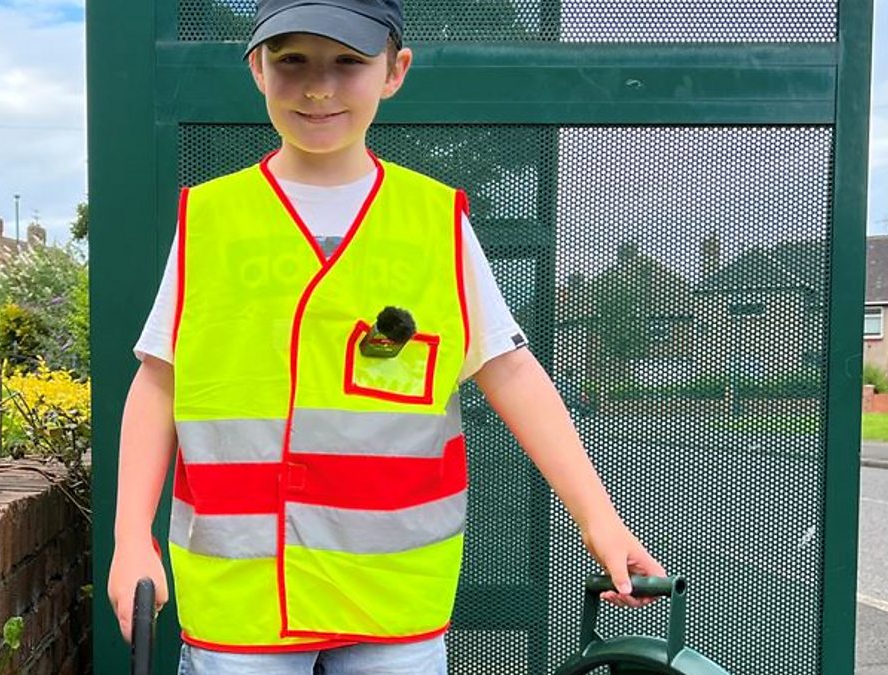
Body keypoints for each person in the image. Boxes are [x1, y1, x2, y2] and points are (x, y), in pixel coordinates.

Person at [108, 0, 665, 672]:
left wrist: (600, 520)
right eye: (293, 60)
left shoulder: (435, 221)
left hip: (391, 598)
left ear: (395, 71)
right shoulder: (211, 218)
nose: (319, 87)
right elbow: (159, 380)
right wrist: (130, 538)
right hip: (243, 599)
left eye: (348, 61)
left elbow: (512, 371)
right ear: (257, 67)